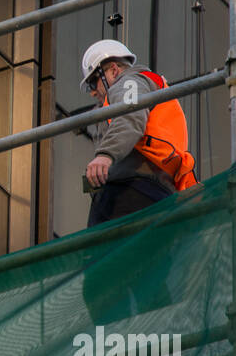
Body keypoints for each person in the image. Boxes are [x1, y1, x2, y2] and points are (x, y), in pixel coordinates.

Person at [80, 39, 196, 228]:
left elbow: (129, 117)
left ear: (114, 70)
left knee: (106, 254)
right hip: (154, 192)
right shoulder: (137, 88)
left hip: (132, 190)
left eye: (94, 82)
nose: (93, 93)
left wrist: (105, 155)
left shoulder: (130, 82)